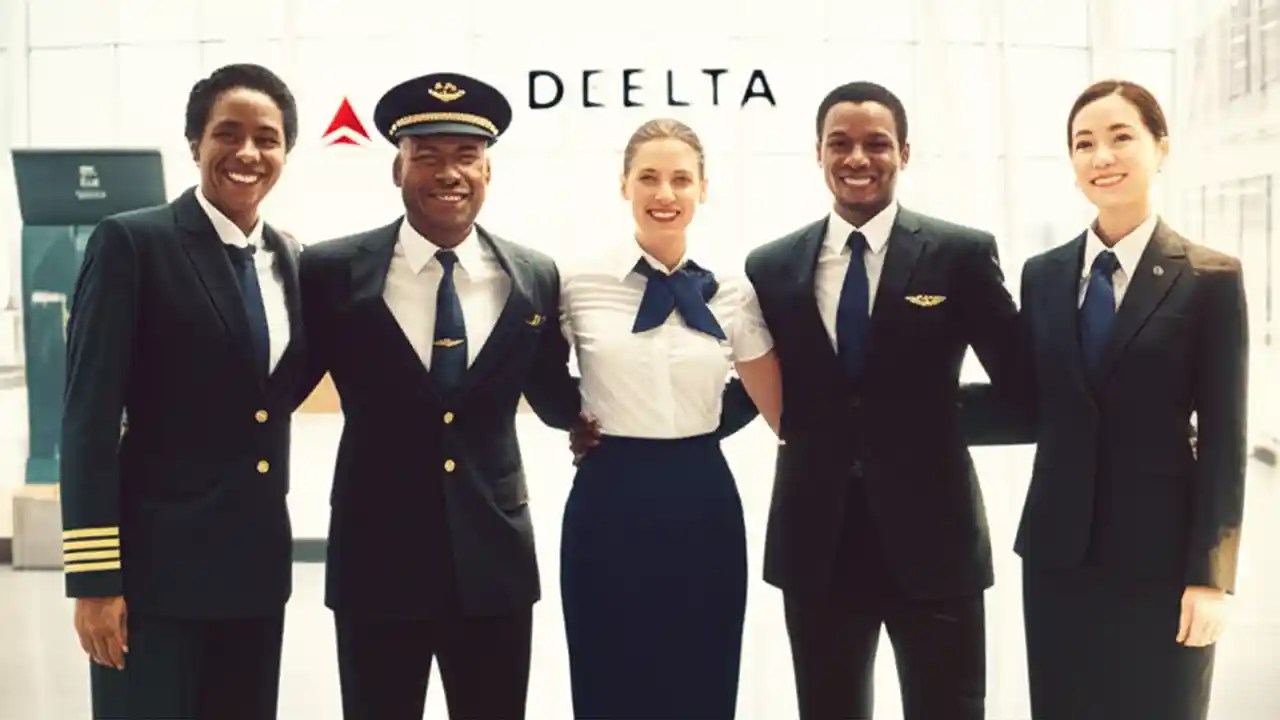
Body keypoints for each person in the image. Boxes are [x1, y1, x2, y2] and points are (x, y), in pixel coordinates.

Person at [296, 72, 580, 720]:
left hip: (495, 566)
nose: (448, 172)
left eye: (466, 155)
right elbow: (280, 386)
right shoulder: (334, 271)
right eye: (426, 155)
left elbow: (556, 394)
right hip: (375, 563)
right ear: (397, 168)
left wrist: (610, 423)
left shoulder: (531, 274)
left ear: (488, 169)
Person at [740, 81, 1023, 719]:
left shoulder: (960, 254)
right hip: (818, 541)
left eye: (877, 144)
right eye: (840, 144)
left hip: (936, 540)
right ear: (818, 153)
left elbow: (1024, 388)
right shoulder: (773, 265)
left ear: (905, 152)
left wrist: (933, 416)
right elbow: (749, 382)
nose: (858, 159)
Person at [60, 63, 304, 719]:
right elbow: (87, 420)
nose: (248, 153)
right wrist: (94, 581)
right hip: (153, 579)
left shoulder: (292, 261)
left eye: (267, 138)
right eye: (228, 133)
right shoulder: (134, 244)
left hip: (254, 578)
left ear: (285, 152)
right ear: (195, 143)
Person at [1013, 79, 1246, 720]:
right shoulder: (1044, 274)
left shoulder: (1210, 278)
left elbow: (1226, 435)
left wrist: (1212, 574)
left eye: (1121, 137)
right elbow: (1034, 401)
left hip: (1164, 560)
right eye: (1084, 143)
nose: (1101, 157)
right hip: (1059, 556)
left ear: (1160, 148)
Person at [557, 117, 783, 719]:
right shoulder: (578, 283)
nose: (665, 194)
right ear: (624, 186)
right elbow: (531, 373)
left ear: (703, 189)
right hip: (609, 491)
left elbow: (776, 407)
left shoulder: (732, 290)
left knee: (702, 673)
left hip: (700, 492)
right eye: (649, 178)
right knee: (608, 672)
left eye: (682, 179)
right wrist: (573, 419)